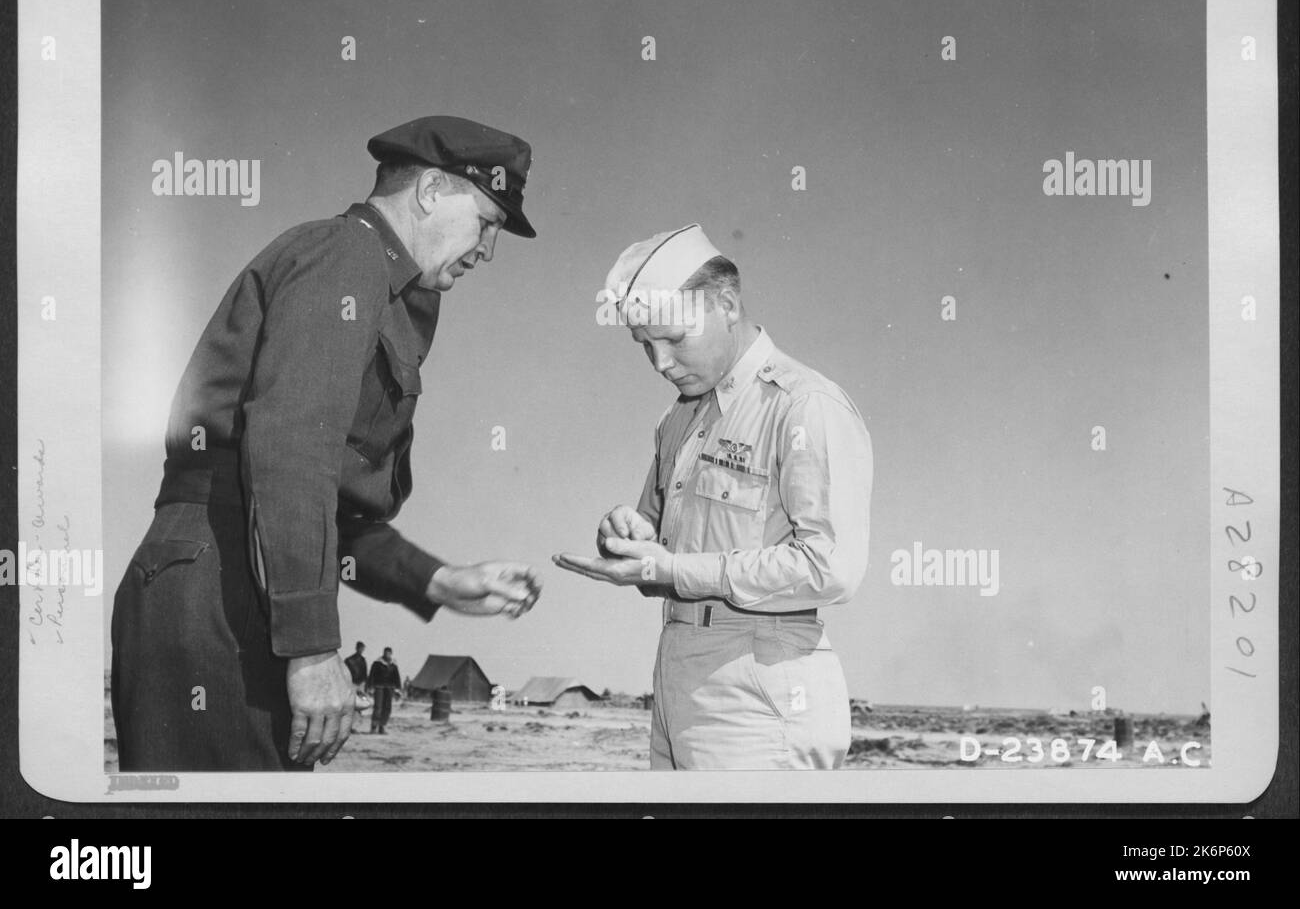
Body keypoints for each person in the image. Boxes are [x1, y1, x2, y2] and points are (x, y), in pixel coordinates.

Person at [112, 115, 544, 772]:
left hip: (238, 576)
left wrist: (436, 579)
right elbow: (288, 456)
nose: (488, 249)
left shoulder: (379, 280)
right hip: (222, 583)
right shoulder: (351, 256)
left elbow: (327, 505)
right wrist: (312, 648)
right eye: (486, 220)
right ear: (431, 190)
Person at [554, 224, 872, 769]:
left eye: (675, 339)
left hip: (761, 692)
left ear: (726, 304)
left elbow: (832, 568)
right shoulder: (678, 420)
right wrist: (626, 538)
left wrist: (678, 569)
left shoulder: (803, 406)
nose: (661, 363)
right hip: (678, 680)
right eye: (645, 345)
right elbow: (658, 565)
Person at [367, 648, 401, 734]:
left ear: (391, 654)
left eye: (389, 653)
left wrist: (398, 689)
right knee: (378, 707)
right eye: (386, 653)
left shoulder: (393, 665)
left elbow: (397, 678)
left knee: (387, 708)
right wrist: (370, 687)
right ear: (383, 653)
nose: (387, 654)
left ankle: (382, 726)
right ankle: (374, 727)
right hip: (379, 687)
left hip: (389, 688)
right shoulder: (377, 663)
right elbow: (371, 675)